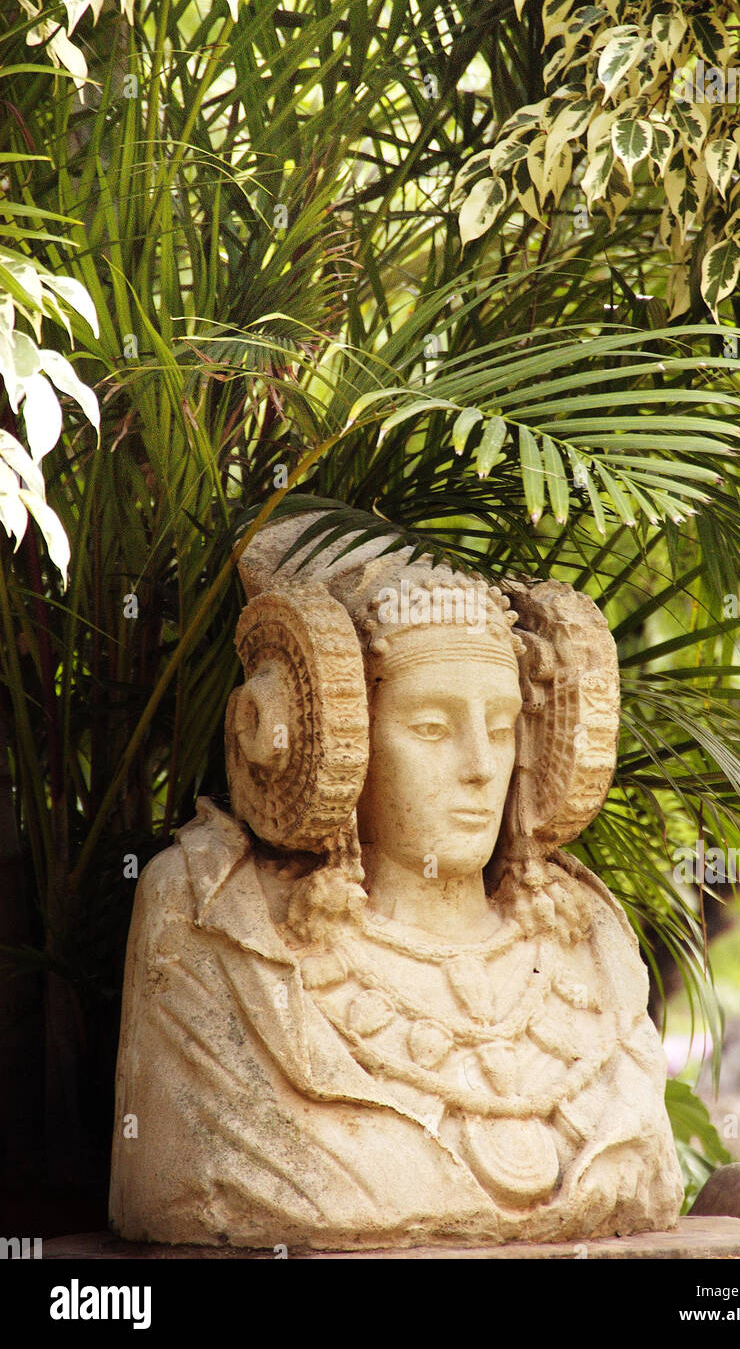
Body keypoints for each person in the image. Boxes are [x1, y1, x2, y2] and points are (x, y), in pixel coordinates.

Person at [109, 517, 683, 1249]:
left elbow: (644, 1169)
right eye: (433, 728)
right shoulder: (219, 923)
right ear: (335, 748)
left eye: (502, 727)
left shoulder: (591, 942)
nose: (480, 765)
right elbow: (186, 1181)